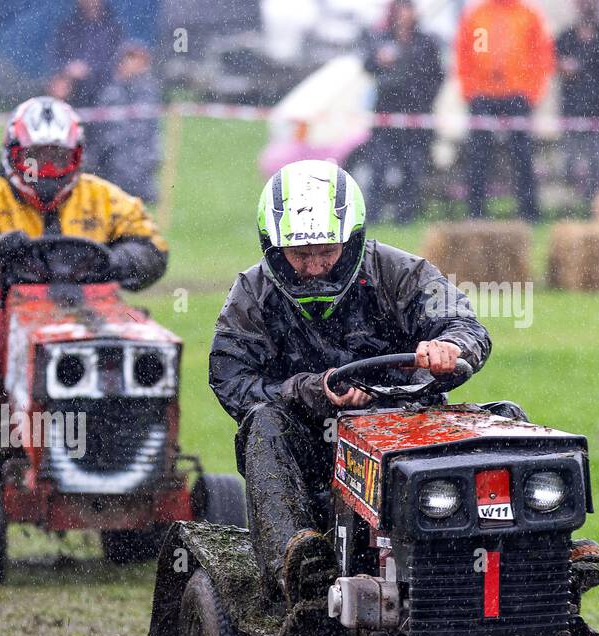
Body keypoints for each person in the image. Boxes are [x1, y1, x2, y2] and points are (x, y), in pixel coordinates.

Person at [208, 160, 490, 606]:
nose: (315, 267)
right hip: (309, 443)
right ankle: (294, 560)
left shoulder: (400, 272)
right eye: (301, 255)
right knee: (262, 423)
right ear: (274, 248)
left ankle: (541, 545)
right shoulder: (252, 292)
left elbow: (465, 325)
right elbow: (230, 378)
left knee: (505, 419)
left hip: (407, 423)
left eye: (327, 251)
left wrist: (450, 348)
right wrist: (309, 390)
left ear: (352, 239)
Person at [0, 96, 168, 423]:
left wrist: (115, 262)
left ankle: (135, 426)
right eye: (35, 158)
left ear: (76, 157)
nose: (45, 171)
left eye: (57, 158)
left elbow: (152, 248)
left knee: (137, 323)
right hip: (7, 310)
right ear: (12, 154)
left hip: (90, 305)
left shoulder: (102, 197)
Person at [455, 0, 554, 221]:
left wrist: (531, 93)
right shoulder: (476, 16)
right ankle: (476, 212)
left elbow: (542, 57)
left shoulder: (528, 16)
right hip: (482, 95)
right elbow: (464, 55)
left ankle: (529, 211)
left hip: (517, 96)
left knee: (522, 154)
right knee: (478, 155)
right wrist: (471, 92)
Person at [361, 0, 444, 223]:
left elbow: (437, 76)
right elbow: (367, 65)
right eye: (400, 10)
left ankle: (405, 216)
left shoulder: (425, 42)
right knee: (378, 167)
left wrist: (423, 100)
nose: (404, 15)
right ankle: (373, 215)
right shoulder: (381, 39)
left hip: (415, 116)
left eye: (407, 10)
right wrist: (378, 60)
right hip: (386, 115)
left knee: (412, 168)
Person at [556, 0, 599, 207]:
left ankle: (592, 205)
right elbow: (555, 64)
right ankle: (570, 205)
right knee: (570, 163)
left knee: (595, 162)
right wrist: (564, 68)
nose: (587, 5)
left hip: (597, 110)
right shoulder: (566, 37)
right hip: (572, 110)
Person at [91, 40, 161, 203]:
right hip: (111, 166)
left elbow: (146, 131)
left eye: (137, 60)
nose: (132, 65)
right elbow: (102, 129)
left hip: (137, 168)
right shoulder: (110, 91)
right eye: (129, 59)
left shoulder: (147, 91)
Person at [51, 0, 124, 107]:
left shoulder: (114, 27)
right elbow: (55, 58)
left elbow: (122, 59)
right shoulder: (68, 28)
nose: (90, 2)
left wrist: (90, 69)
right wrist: (67, 68)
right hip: (75, 89)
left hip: (108, 86)